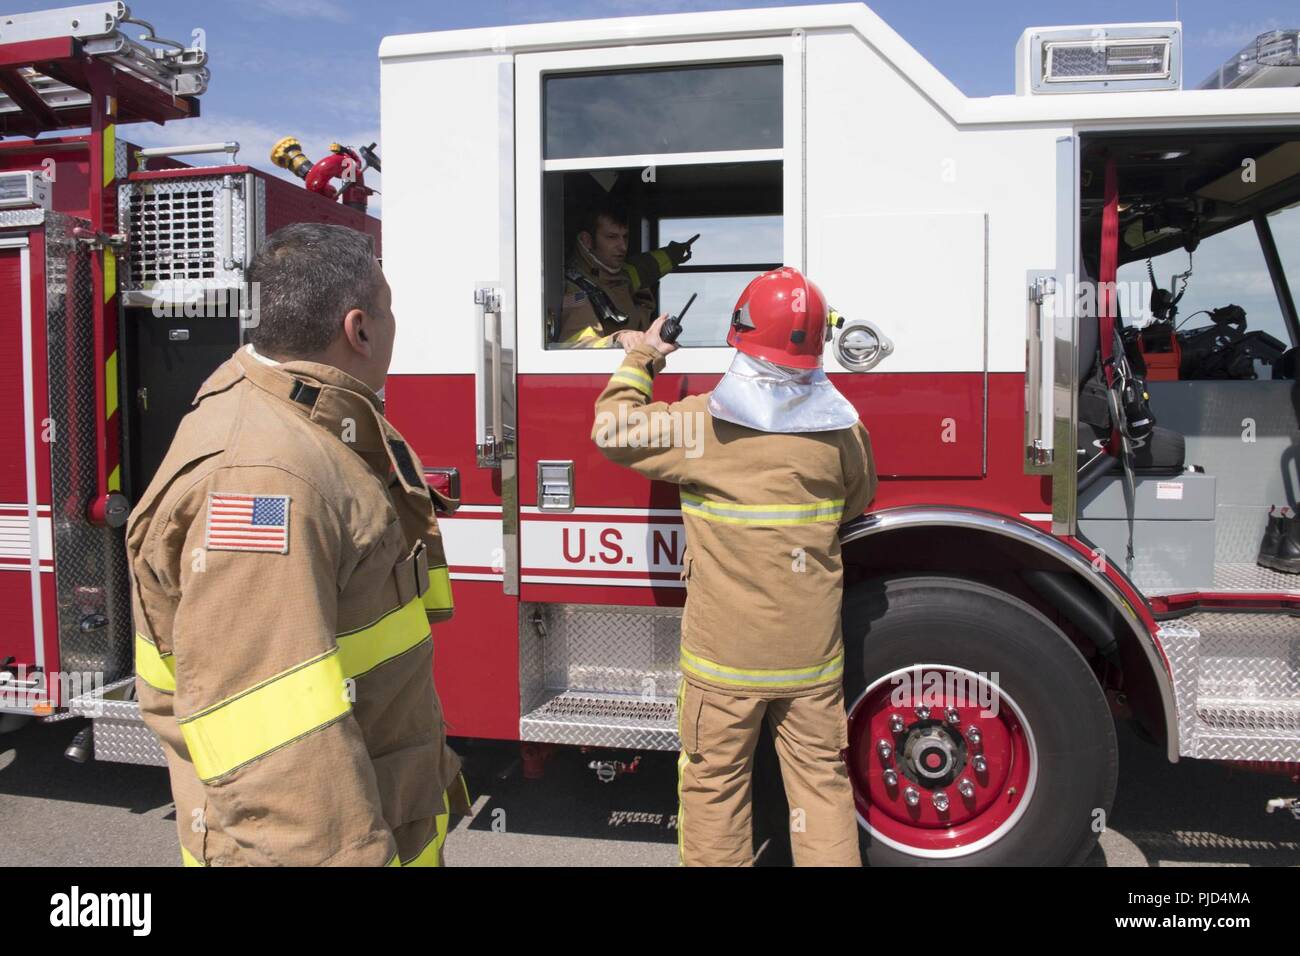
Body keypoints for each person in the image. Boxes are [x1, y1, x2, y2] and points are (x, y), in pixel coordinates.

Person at [126, 222, 467, 866]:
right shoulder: (262, 479)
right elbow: (278, 751)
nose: (395, 332)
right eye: (390, 315)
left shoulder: (299, 428)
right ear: (360, 329)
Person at [591, 267, 877, 866]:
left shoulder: (698, 424)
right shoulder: (845, 431)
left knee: (715, 784)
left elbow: (612, 429)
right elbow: (856, 501)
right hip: (811, 658)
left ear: (738, 334)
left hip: (723, 662)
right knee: (822, 786)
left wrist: (643, 355)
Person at [553, 200, 695, 349]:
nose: (623, 246)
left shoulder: (623, 273)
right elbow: (576, 344)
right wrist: (619, 339)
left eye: (625, 237)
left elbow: (649, 265)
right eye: (611, 237)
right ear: (586, 240)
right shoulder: (576, 289)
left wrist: (676, 252)